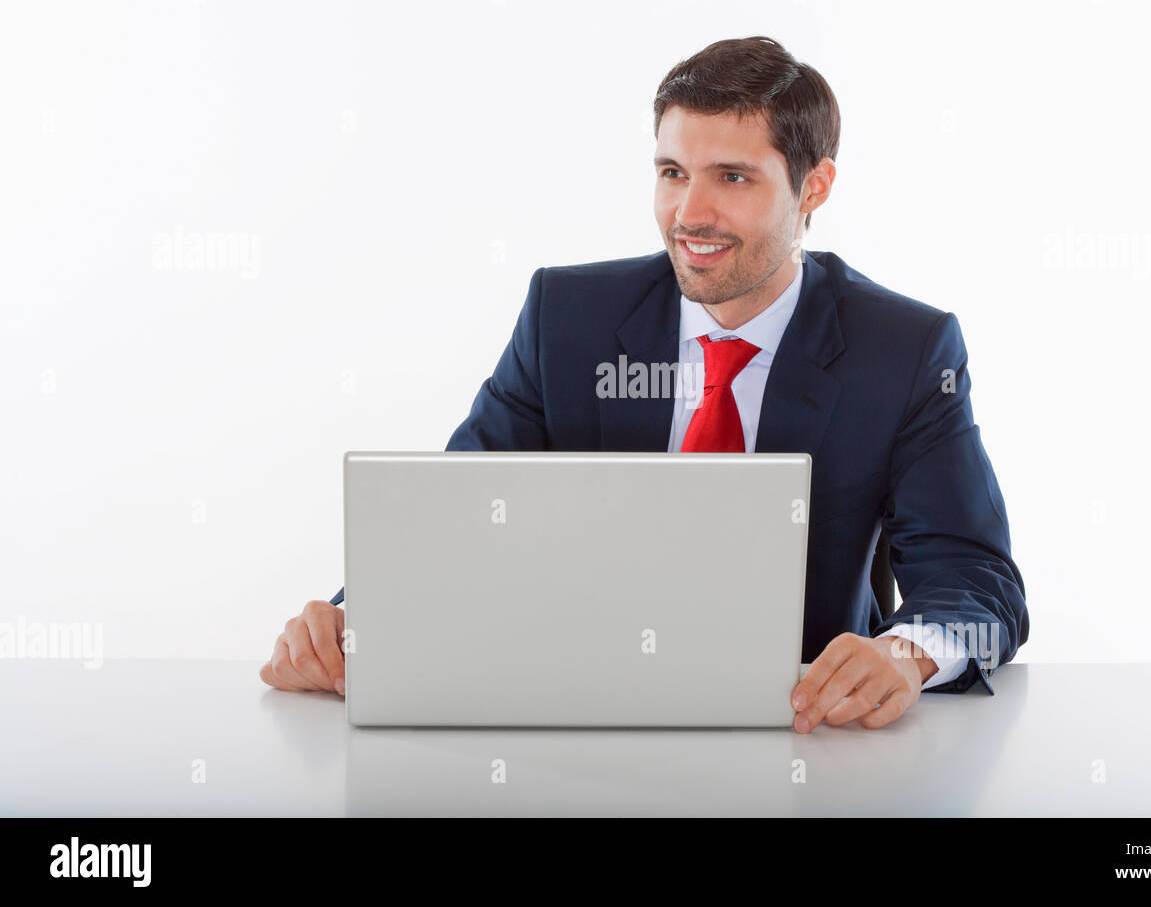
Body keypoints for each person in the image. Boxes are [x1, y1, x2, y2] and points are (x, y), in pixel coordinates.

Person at [261, 36, 1029, 732]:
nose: (690, 214)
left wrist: (907, 651)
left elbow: (978, 578)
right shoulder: (566, 318)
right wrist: (350, 624)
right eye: (672, 173)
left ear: (814, 187)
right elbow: (458, 520)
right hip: (579, 719)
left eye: (732, 177)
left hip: (803, 736)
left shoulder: (905, 350)